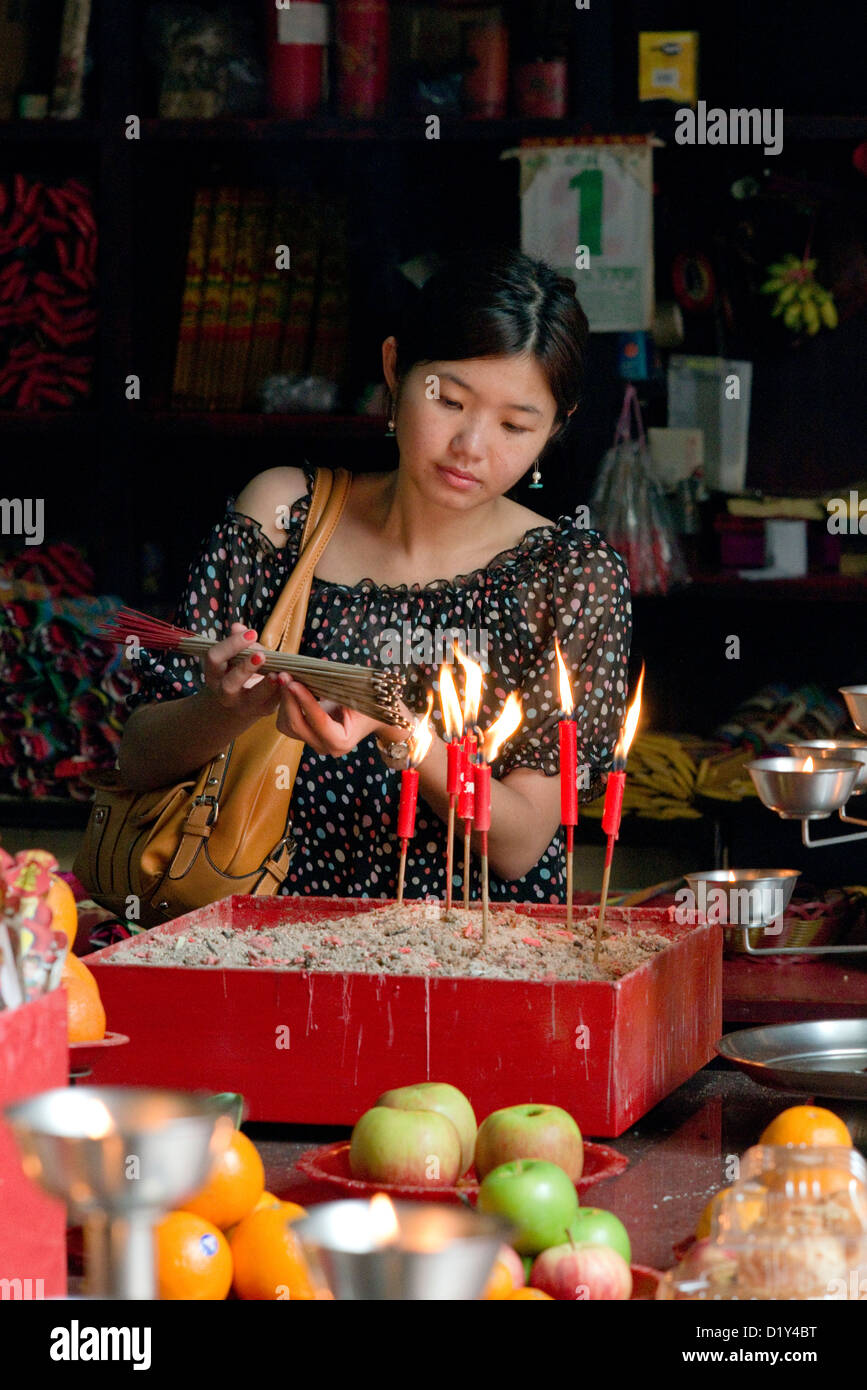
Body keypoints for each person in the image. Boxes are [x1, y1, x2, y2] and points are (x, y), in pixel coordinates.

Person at [119, 247, 632, 904]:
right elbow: (138, 756)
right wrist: (222, 710)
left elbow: (520, 843)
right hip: (269, 931)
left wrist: (403, 731)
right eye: (447, 400)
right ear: (395, 369)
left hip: (471, 956)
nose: (471, 446)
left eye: (513, 424)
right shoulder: (284, 517)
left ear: (554, 429)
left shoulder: (569, 574)